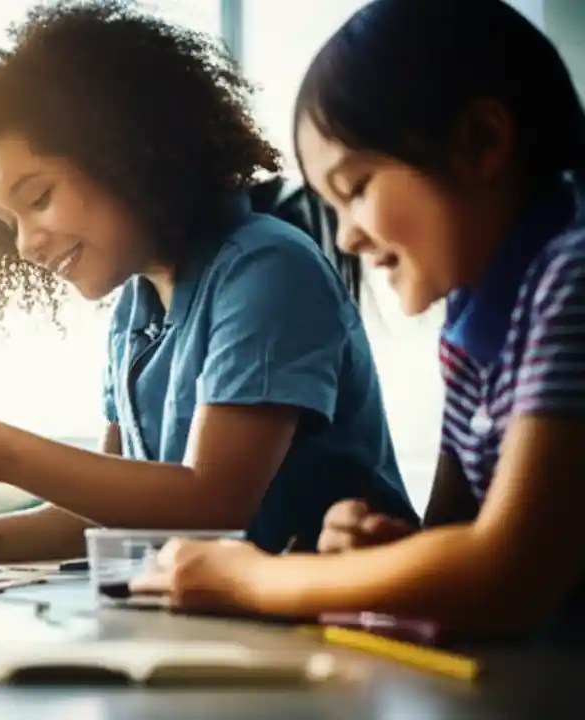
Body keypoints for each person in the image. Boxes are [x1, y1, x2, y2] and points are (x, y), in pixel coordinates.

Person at [0, 0, 416, 561]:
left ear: (122, 152)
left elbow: (212, 503)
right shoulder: (137, 307)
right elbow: (111, 509)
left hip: (343, 625)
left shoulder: (267, 267)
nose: (25, 244)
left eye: (38, 199)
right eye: (9, 225)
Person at [130, 0, 585, 636]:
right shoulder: (471, 327)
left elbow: (510, 569)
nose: (346, 239)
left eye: (358, 187)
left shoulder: (571, 279)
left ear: (482, 142)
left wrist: (252, 577)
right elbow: (459, 542)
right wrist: (389, 557)